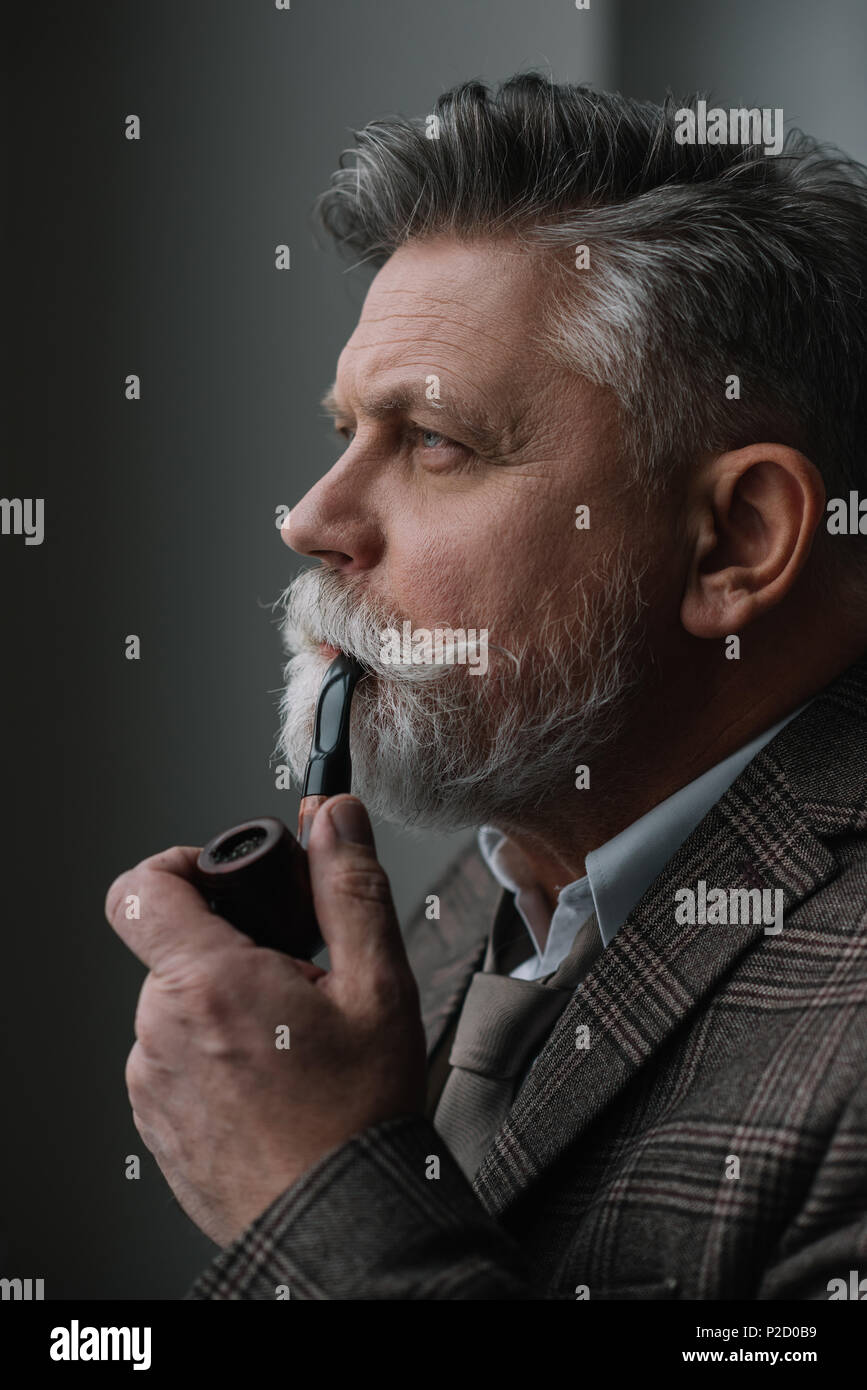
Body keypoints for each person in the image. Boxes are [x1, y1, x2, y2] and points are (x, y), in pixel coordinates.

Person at [106, 76, 867, 1299]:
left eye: (436, 441)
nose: (310, 518)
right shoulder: (500, 880)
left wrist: (313, 1197)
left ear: (736, 539)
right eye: (346, 429)